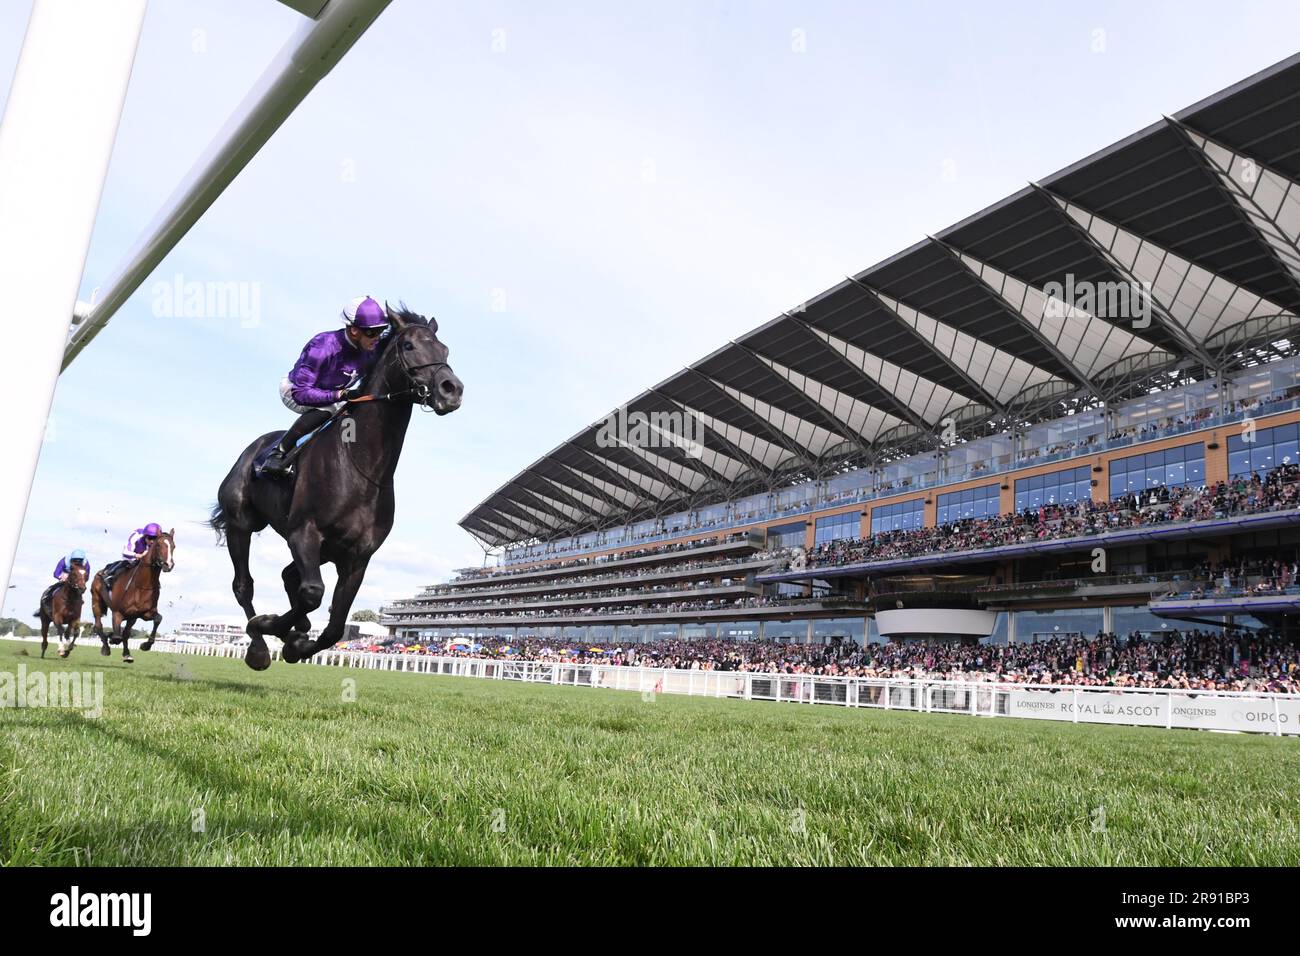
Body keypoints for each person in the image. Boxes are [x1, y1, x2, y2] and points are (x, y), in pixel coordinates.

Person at [259, 296, 387, 478]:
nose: (377, 338)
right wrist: (339, 394)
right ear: (354, 330)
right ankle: (278, 452)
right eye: (371, 333)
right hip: (294, 390)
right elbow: (301, 393)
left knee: (350, 413)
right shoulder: (323, 346)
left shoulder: (369, 347)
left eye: (381, 331)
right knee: (330, 408)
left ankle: (346, 454)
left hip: (332, 394)